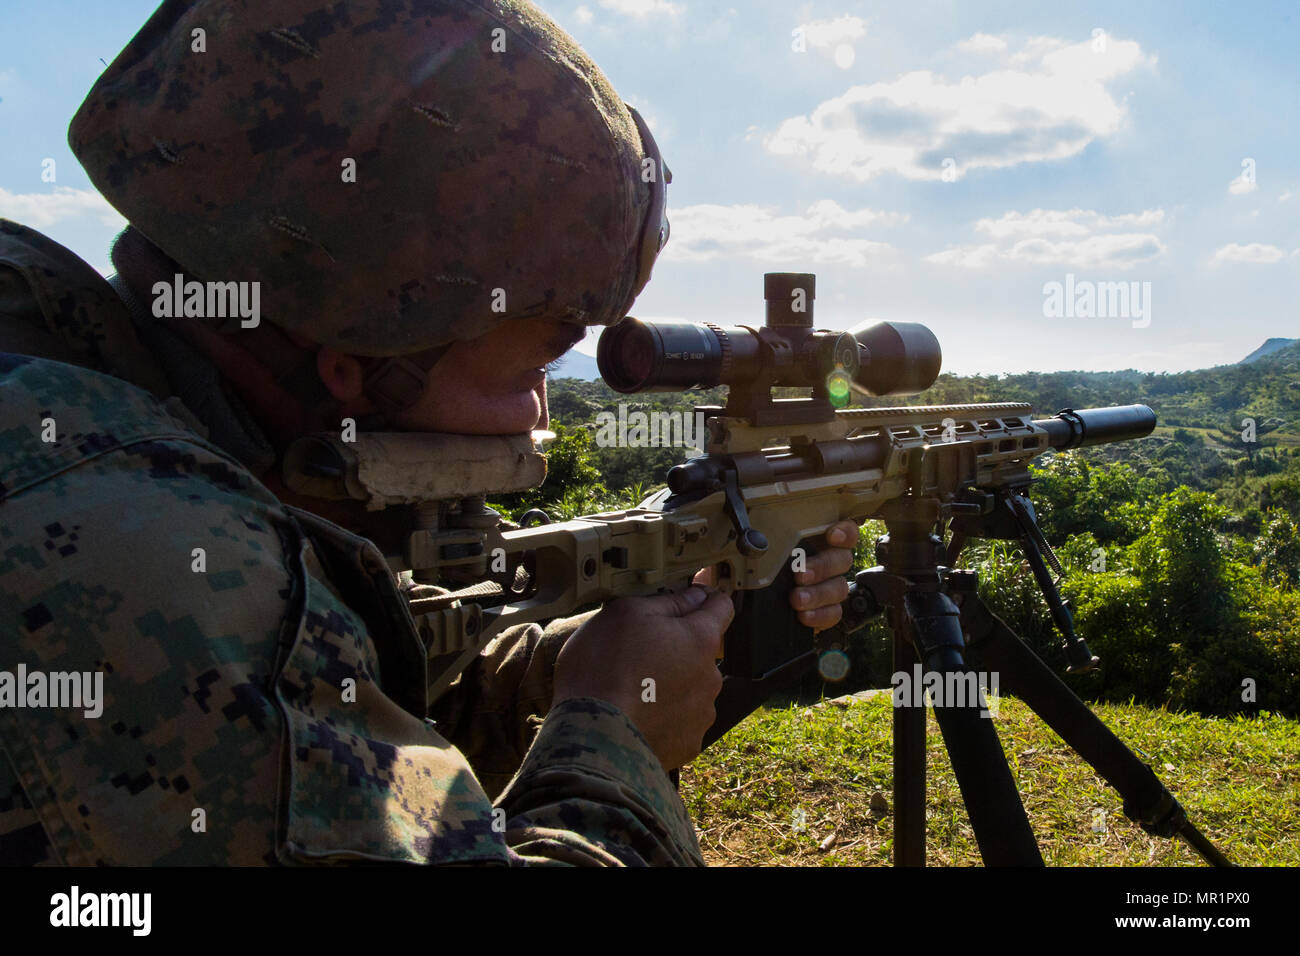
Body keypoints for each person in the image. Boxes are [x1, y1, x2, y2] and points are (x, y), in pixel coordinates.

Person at [0, 0, 855, 866]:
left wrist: (608, 658)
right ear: (359, 353)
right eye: (530, 373)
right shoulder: (137, 553)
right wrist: (616, 740)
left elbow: (356, 697)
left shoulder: (103, 405)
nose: (538, 417)